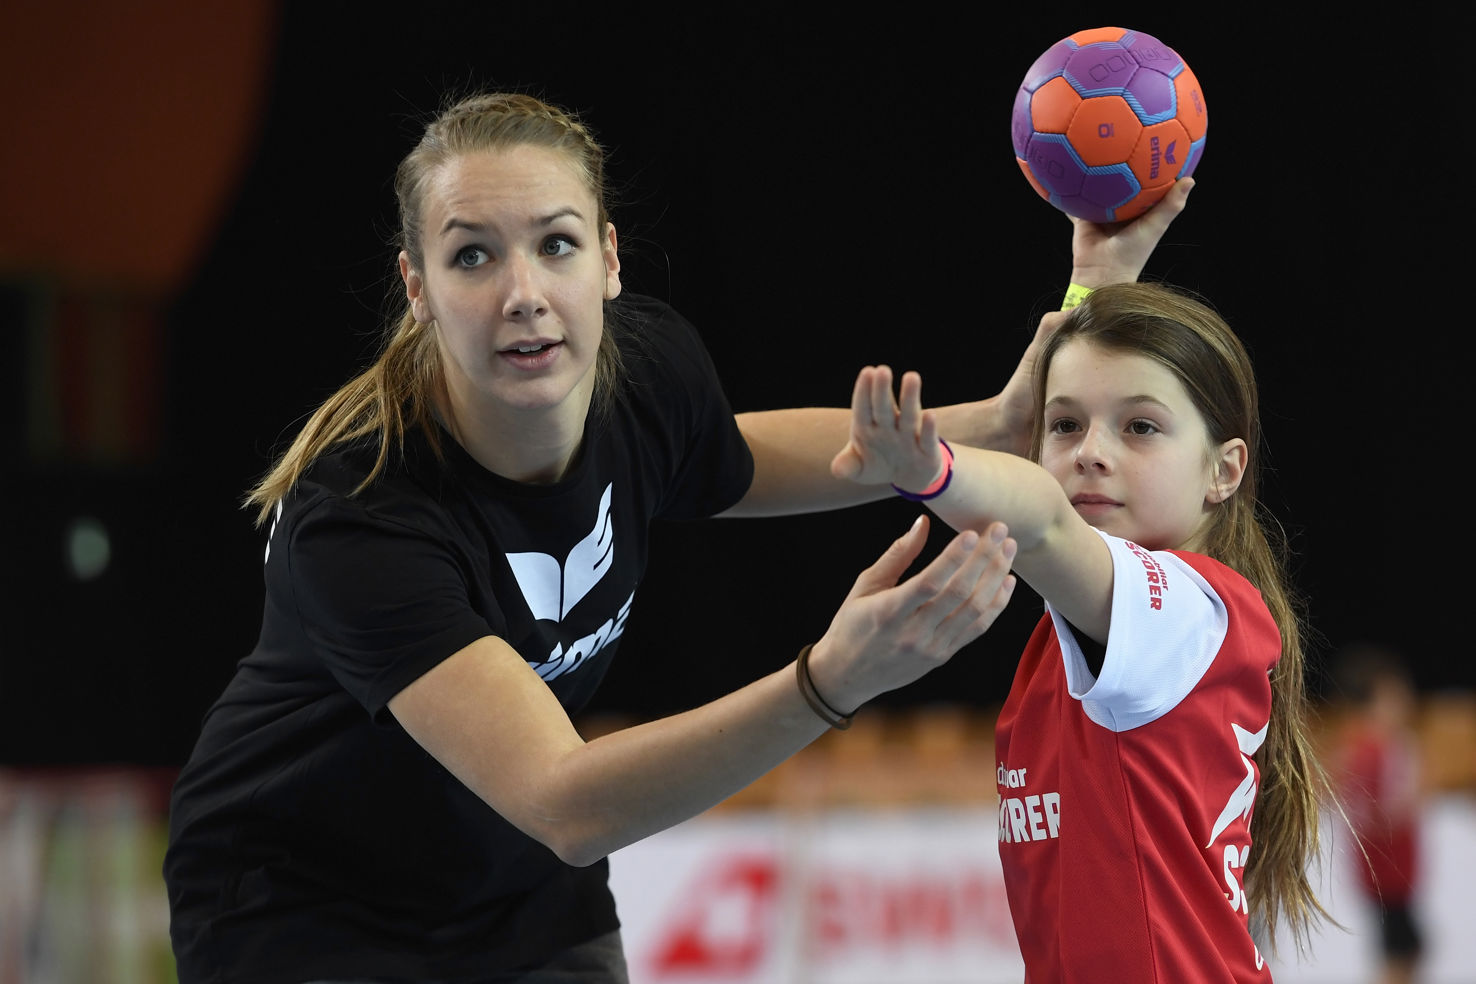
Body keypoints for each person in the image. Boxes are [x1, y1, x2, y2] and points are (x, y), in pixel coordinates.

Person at [161, 90, 1188, 983]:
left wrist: (1003, 417)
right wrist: (830, 680)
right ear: (418, 288)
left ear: (608, 259)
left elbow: (743, 463)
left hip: (516, 895)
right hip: (302, 905)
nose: (523, 292)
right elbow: (567, 802)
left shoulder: (647, 378)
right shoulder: (364, 513)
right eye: (472, 254)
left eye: (556, 243)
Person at [832, 280, 1328, 981]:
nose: (1092, 452)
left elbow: (1044, 520)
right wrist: (1093, 279)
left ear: (1224, 471)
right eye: (1064, 426)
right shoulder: (1073, 635)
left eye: (1141, 427)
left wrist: (932, 469)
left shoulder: (1191, 612)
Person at [1332, 644, 1425, 984]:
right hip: (1387, 870)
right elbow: (1370, 812)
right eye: (1395, 697)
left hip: (1388, 868)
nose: (1404, 703)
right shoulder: (1372, 748)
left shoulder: (1370, 744)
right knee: (1401, 949)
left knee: (1406, 946)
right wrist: (1411, 800)